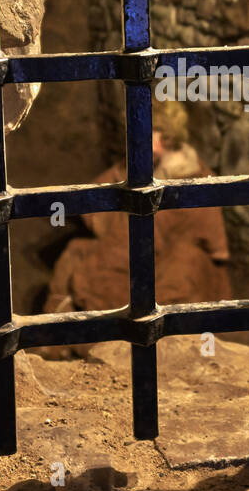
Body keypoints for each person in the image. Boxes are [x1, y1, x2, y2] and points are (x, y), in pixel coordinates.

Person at [42, 99, 232, 337]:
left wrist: (87, 278)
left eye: (143, 132)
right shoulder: (146, 163)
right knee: (75, 252)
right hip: (147, 255)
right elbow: (101, 189)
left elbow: (135, 242)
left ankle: (80, 342)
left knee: (115, 289)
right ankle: (55, 339)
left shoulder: (189, 178)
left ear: (163, 137)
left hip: (179, 272)